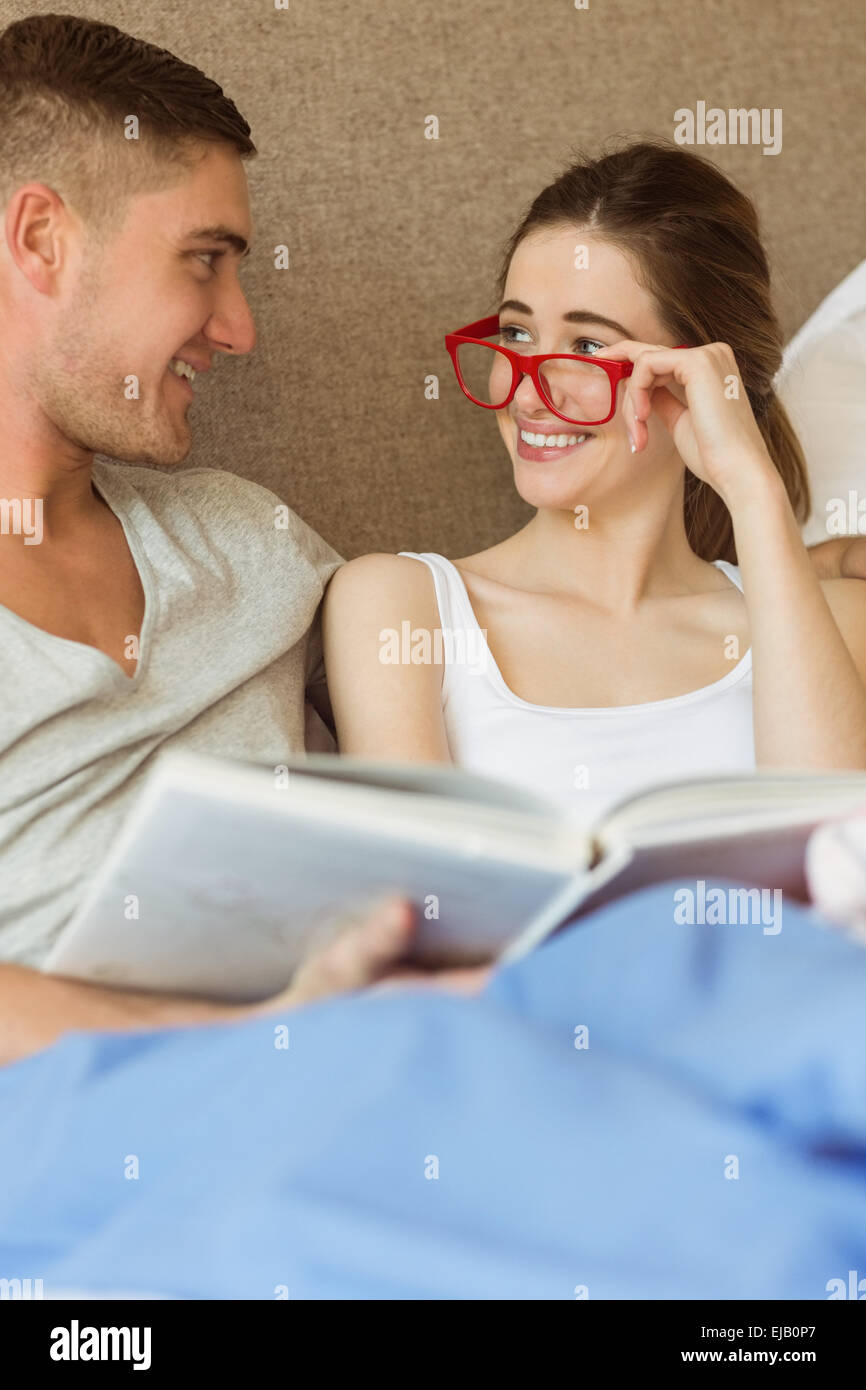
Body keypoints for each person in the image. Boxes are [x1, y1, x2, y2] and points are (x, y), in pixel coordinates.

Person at [0, 14, 480, 1068]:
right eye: (203, 262)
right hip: (84, 1139)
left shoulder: (245, 536)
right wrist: (247, 1033)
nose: (239, 327)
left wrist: (772, 568)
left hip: (360, 1083)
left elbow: (495, 645)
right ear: (42, 239)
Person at [323, 140, 866, 822]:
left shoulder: (832, 620)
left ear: (696, 379)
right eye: (517, 333)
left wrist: (750, 485)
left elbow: (833, 856)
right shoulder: (399, 604)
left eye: (587, 347)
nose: (527, 392)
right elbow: (421, 890)